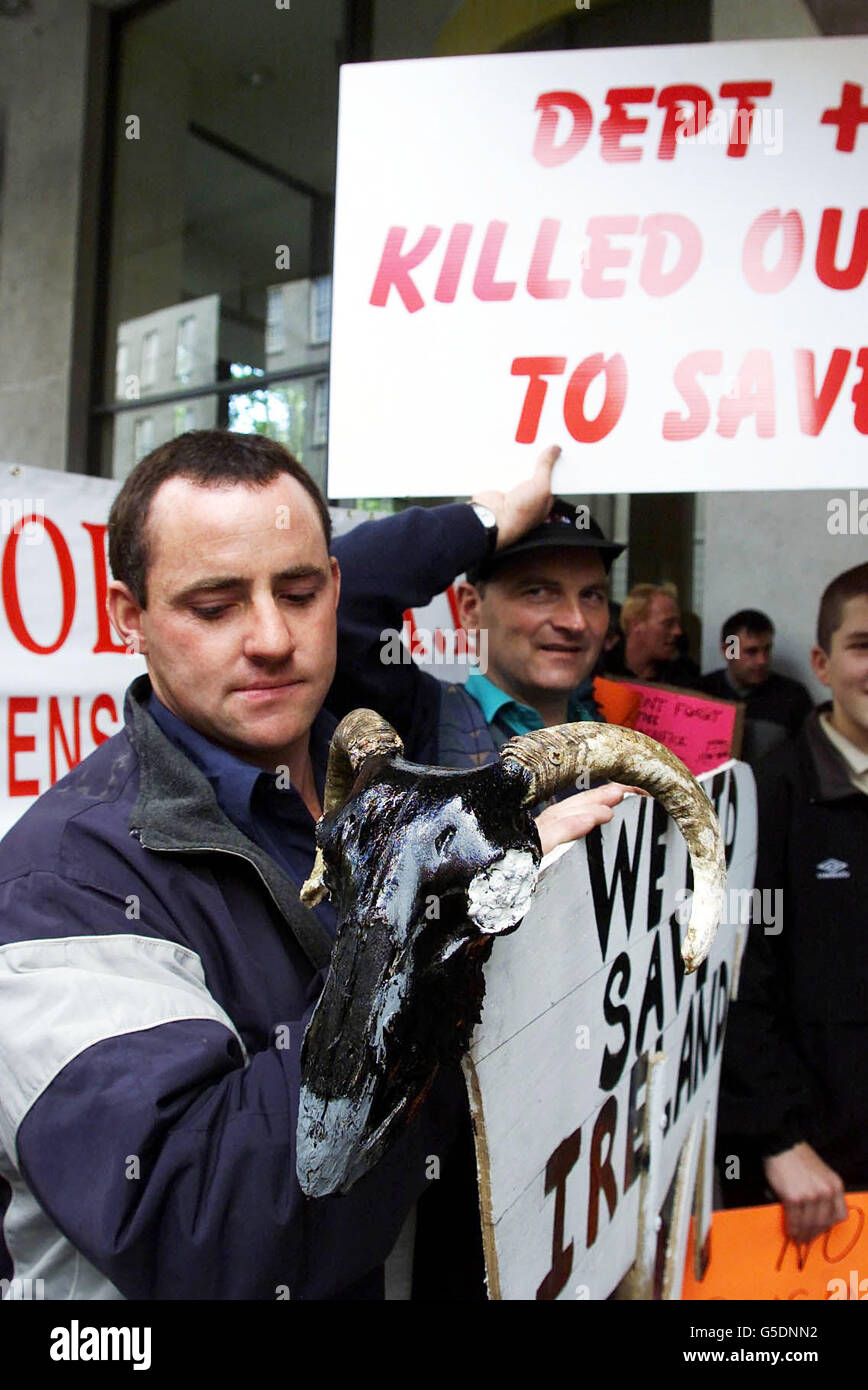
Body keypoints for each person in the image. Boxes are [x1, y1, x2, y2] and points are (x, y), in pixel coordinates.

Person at [0, 431, 632, 1301]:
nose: (271, 638)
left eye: (298, 593)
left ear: (333, 591)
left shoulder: (398, 787)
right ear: (128, 616)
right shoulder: (63, 879)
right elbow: (210, 1222)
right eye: (213, 606)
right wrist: (438, 926)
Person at [330, 452, 630, 835]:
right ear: (470, 608)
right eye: (538, 592)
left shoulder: (618, 746)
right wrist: (485, 520)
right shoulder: (417, 724)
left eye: (591, 595)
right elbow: (341, 587)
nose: (575, 621)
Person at [717, 562, 868, 1243]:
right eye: (864, 646)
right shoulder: (764, 795)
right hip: (806, 1179)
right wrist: (774, 1139)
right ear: (823, 662)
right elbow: (732, 978)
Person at [698, 609, 813, 766]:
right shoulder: (700, 692)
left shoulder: (793, 696)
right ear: (728, 651)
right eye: (751, 652)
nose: (762, 660)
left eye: (767, 650)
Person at [600, 582, 700, 687]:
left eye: (678, 624)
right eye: (668, 623)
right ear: (636, 625)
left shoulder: (685, 676)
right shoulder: (600, 668)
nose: (678, 631)